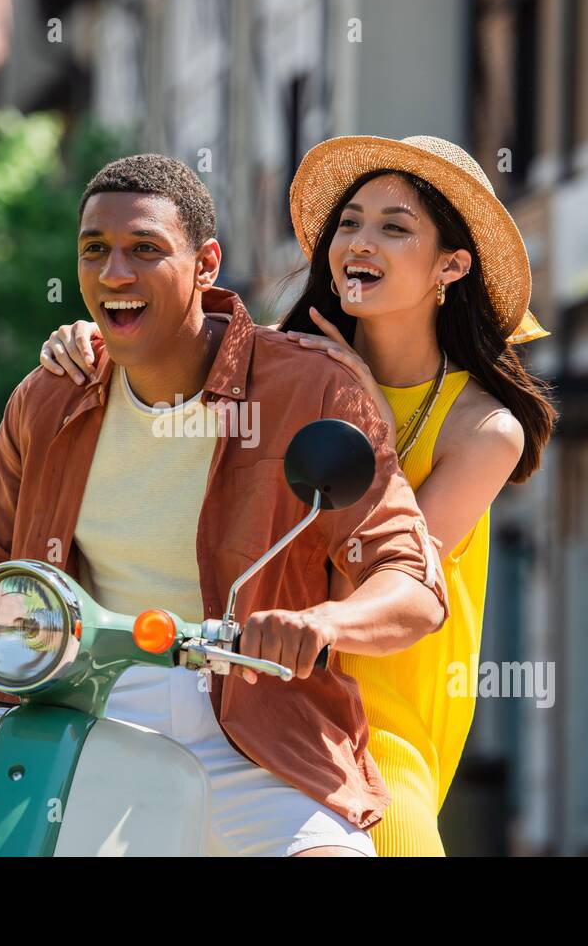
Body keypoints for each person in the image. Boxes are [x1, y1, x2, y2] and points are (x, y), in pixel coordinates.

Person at [0, 153, 450, 857]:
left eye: (145, 249)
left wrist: (317, 623)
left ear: (206, 264)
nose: (115, 273)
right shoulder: (48, 395)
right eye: (95, 250)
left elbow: (412, 585)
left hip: (248, 729)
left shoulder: (308, 389)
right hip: (65, 704)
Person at [38, 135, 555, 855]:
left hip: (384, 719)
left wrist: (357, 402)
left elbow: (372, 571)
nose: (358, 243)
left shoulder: (483, 427)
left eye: (393, 226)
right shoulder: (282, 367)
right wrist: (95, 340)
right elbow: (172, 360)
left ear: (451, 266)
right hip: (250, 693)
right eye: (349, 222)